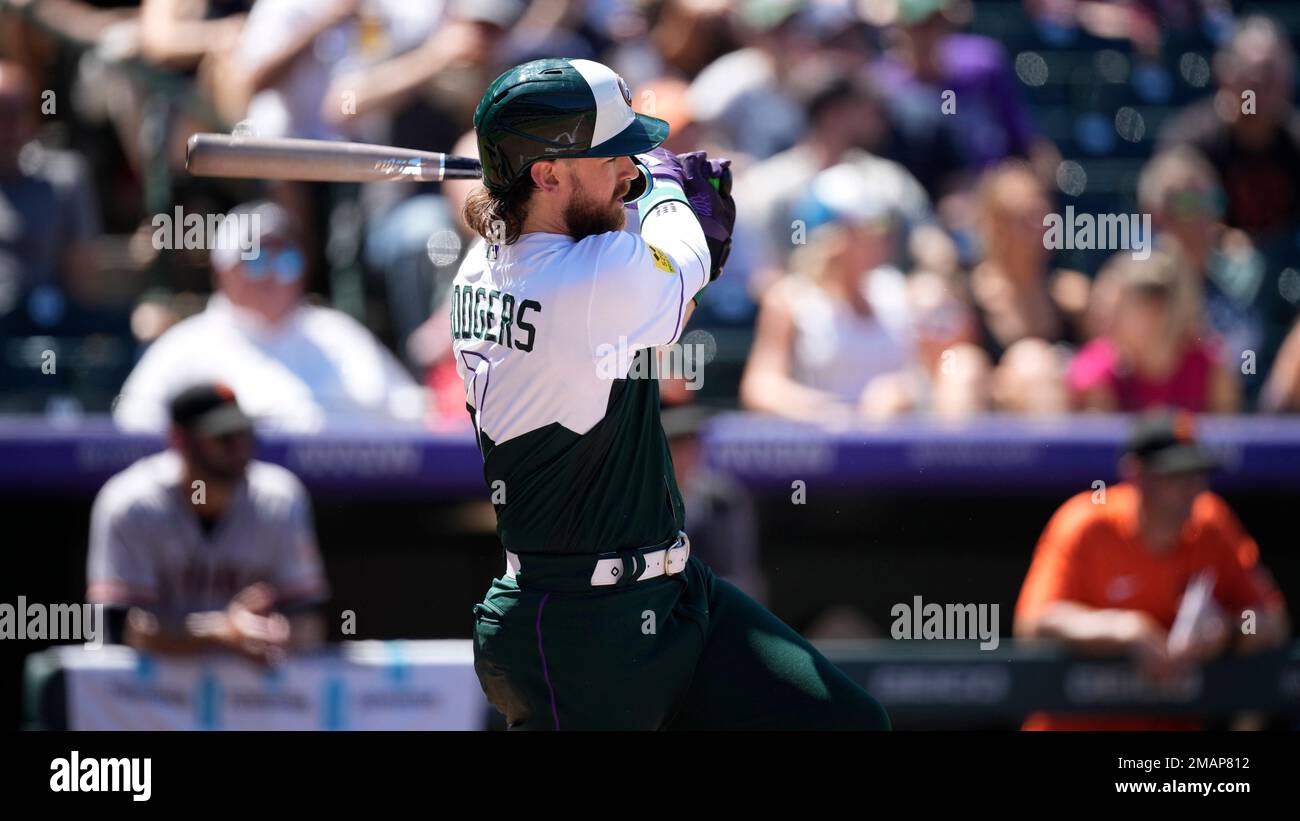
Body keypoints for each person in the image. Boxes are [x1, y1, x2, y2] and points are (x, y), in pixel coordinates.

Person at [454, 57, 889, 730]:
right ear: (545, 174)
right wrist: (663, 185)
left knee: (848, 722)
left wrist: (636, 179)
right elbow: (687, 258)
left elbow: (598, 238)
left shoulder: (491, 257)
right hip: (576, 629)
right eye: (613, 156)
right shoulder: (581, 279)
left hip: (676, 592)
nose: (627, 169)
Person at [1013, 410, 1289, 731]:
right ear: (1137, 475)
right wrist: (1124, 631)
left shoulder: (1212, 523)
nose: (1191, 490)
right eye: (1176, 476)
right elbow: (1032, 623)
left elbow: (1271, 620)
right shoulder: (1086, 523)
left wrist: (1227, 630)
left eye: (1197, 475)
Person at [113, 200, 426, 433]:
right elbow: (134, 422)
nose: (275, 276)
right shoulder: (187, 344)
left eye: (287, 259)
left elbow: (412, 411)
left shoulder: (337, 333)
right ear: (224, 272)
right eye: (258, 260)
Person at [87, 383, 330, 665]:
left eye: (245, 433)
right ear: (179, 440)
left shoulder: (280, 500)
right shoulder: (132, 504)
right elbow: (121, 628)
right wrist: (218, 632)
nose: (240, 447)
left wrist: (275, 633)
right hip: (142, 698)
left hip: (249, 696)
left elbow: (309, 618)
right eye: (224, 437)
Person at [1070, 251, 1240, 413]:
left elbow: (1227, 439)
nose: (1105, 321)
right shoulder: (1100, 371)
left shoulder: (1211, 371)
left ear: (1153, 310)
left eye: (1117, 309)